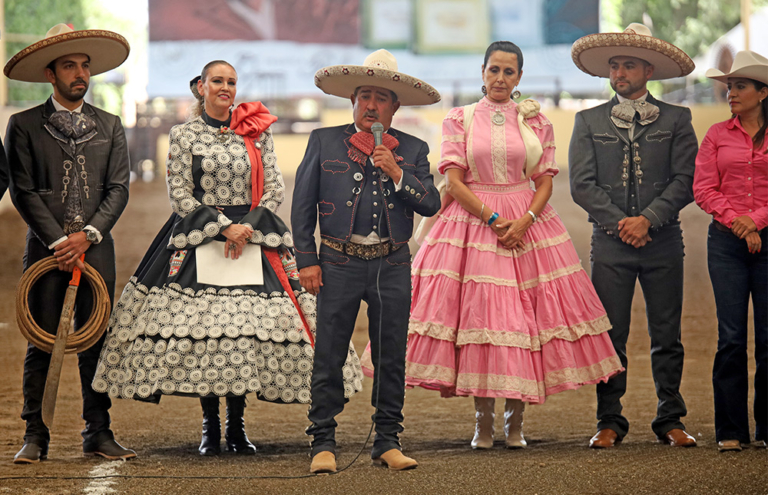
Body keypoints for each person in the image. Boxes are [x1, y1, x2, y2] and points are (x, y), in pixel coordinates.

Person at [91, 60, 363, 456]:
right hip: (200, 236)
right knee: (209, 331)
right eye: (217, 81)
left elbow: (273, 188)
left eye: (231, 82)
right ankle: (210, 425)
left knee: (246, 331)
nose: (226, 88)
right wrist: (222, 227)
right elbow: (180, 195)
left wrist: (247, 227)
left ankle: (236, 425)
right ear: (201, 87)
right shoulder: (183, 135)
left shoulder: (257, 132)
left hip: (253, 235)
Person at [402, 41, 622, 450]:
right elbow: (453, 181)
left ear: (519, 77)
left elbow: (544, 180)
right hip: (473, 222)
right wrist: (493, 219)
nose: (500, 78)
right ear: (482, 72)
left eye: (509, 72)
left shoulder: (535, 120)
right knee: (481, 320)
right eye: (494, 70)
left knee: (526, 320)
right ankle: (483, 423)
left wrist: (526, 220)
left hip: (528, 223)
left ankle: (515, 421)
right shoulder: (460, 118)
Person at [291, 49, 441, 473]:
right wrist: (307, 259)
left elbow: (430, 203)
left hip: (392, 264)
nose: (371, 105)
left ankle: (388, 441)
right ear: (353, 100)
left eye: (380, 97)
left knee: (392, 354)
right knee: (330, 352)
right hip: (337, 261)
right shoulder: (323, 140)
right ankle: (322, 441)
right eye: (364, 96)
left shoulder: (413, 148)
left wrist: (397, 171)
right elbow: (302, 207)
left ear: (395, 106)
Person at [4, 24, 135, 463]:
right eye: (69, 66)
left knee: (96, 338)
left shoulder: (111, 125)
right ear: (50, 74)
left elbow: (118, 188)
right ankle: (34, 435)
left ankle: (99, 431)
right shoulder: (22, 126)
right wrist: (60, 240)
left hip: (97, 248)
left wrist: (88, 235)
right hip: (46, 248)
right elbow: (22, 190)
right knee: (40, 340)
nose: (80, 73)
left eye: (84, 65)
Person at [569, 24, 699, 448]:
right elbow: (582, 185)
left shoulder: (679, 118)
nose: (619, 71)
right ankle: (609, 419)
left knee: (667, 333)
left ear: (648, 69)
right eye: (614, 65)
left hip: (662, 239)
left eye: (628, 64)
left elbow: (685, 180)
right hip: (610, 241)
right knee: (611, 334)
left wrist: (648, 219)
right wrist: (622, 223)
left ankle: (671, 417)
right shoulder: (587, 119)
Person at [694, 50, 768, 452]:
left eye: (740, 86)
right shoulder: (716, 135)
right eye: (729, 86)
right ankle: (731, 430)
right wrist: (740, 222)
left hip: (764, 236)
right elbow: (703, 188)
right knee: (732, 337)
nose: (731, 93)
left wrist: (756, 219)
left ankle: (767, 428)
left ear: (763, 91)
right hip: (726, 242)